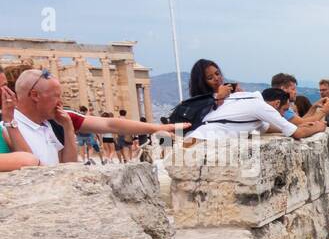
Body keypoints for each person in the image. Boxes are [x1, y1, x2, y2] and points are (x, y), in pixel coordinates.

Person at [10, 69, 189, 166]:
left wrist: (156, 128)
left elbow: (110, 124)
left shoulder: (56, 119)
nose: (61, 101)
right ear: (34, 95)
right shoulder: (8, 126)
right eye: (56, 95)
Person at [186, 87, 326, 142]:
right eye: (284, 110)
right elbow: (297, 134)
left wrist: (304, 125)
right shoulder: (261, 106)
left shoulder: (243, 96)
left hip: (193, 138)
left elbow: (269, 127)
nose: (283, 115)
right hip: (206, 142)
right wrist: (318, 127)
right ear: (276, 104)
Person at [167, 58, 236, 126]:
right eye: (210, 78)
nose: (216, 78)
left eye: (217, 73)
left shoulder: (230, 92)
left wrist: (239, 94)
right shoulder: (198, 103)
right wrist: (220, 97)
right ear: (202, 83)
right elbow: (205, 118)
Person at [0, 69, 40, 171]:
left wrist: (9, 119)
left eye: (5, 85)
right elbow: (29, 161)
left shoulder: (3, 128)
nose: (5, 91)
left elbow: (34, 167)